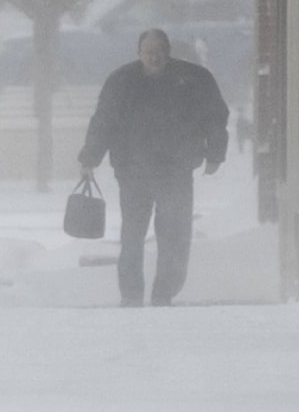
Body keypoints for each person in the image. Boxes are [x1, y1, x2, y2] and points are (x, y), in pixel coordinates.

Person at [78, 29, 229, 307]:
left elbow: (215, 116)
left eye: (158, 50)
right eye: (148, 51)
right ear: (138, 53)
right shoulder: (121, 82)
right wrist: (90, 158)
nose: (153, 57)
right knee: (132, 235)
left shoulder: (193, 80)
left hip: (176, 169)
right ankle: (131, 293)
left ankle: (165, 290)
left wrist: (215, 153)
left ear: (168, 51)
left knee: (174, 233)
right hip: (132, 170)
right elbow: (104, 121)